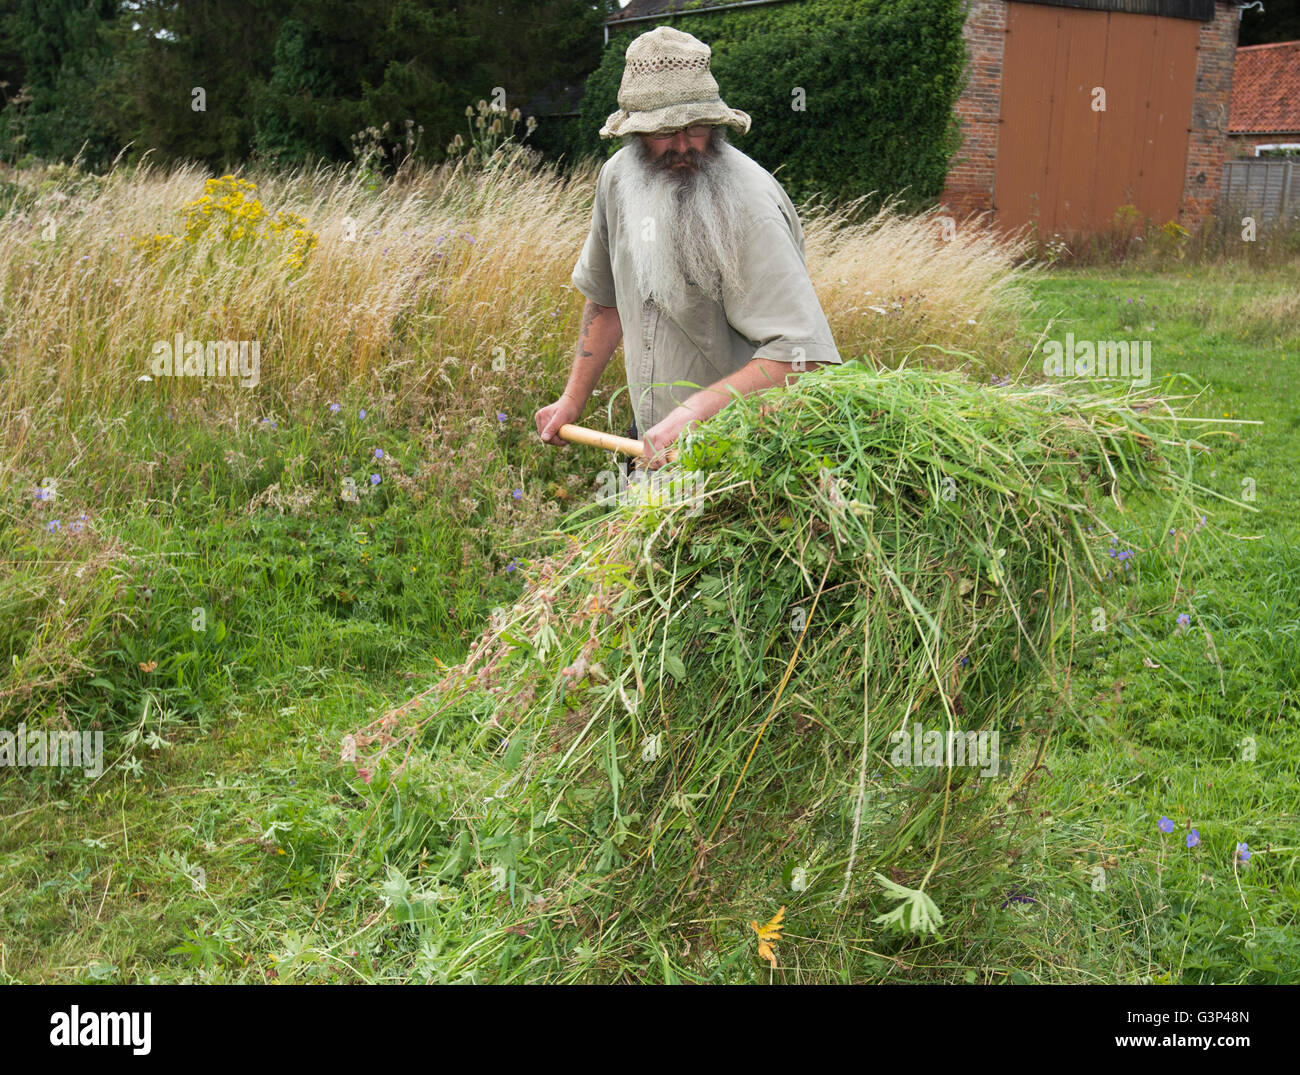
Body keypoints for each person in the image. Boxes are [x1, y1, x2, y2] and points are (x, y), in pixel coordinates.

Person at [534, 25, 841, 478]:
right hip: (651, 444)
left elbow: (804, 358)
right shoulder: (618, 180)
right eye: (663, 131)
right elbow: (606, 300)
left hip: (742, 459)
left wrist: (696, 412)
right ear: (635, 132)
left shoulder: (748, 206)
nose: (682, 146)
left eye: (695, 127)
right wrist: (572, 400)